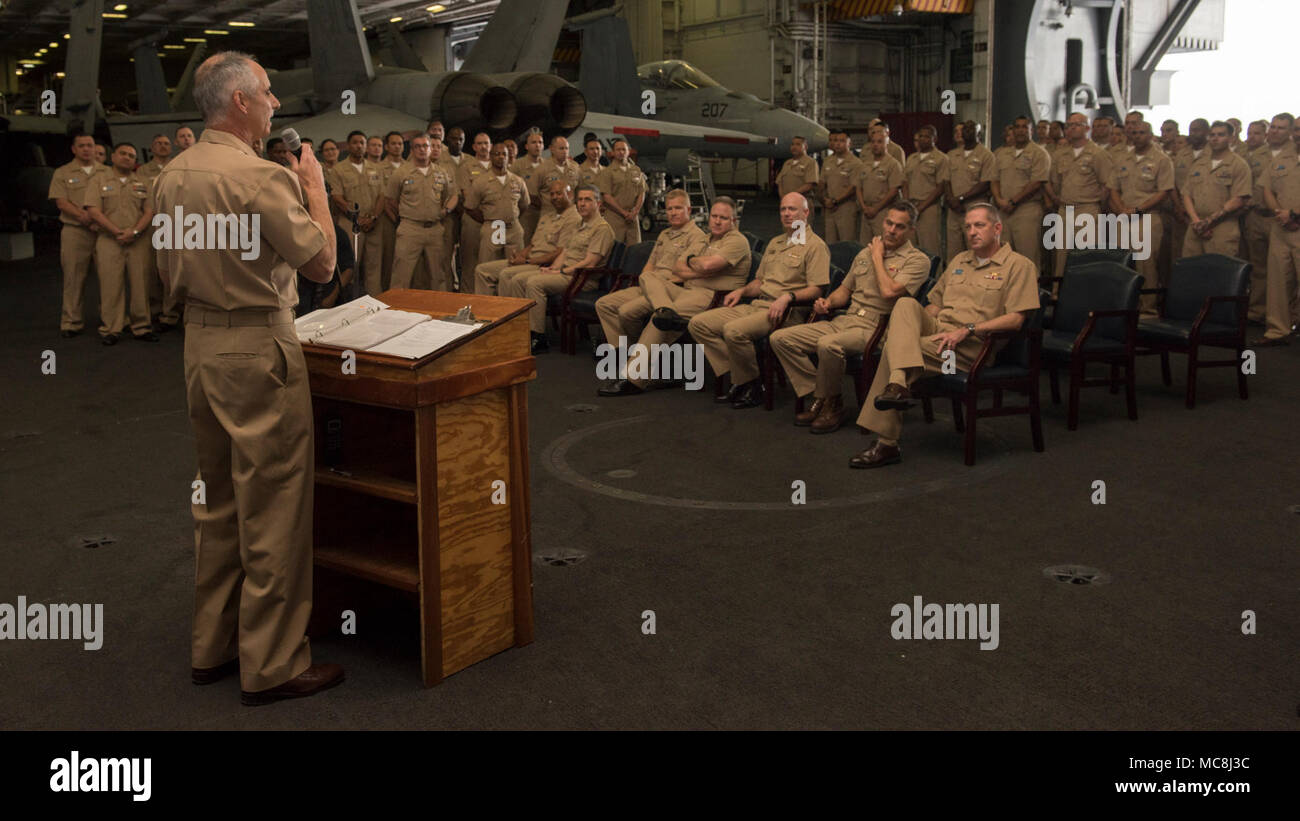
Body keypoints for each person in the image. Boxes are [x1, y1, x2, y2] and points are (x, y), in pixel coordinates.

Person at [153, 51, 342, 705]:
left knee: (218, 502)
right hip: (258, 344)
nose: (274, 104)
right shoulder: (261, 177)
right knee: (276, 506)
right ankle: (274, 662)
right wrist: (314, 187)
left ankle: (214, 645)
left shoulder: (171, 174)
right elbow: (321, 265)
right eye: (266, 92)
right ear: (238, 102)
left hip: (200, 346)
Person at [850, 203, 1039, 468]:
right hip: (942, 335)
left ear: (997, 228)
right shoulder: (960, 261)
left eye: (979, 225)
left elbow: (1016, 319)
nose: (972, 232)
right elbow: (933, 304)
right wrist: (927, 323)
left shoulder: (1019, 266)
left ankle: (886, 441)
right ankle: (898, 386)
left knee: (894, 349)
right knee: (905, 304)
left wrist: (968, 329)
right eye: (968, 227)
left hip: (972, 347)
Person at [771, 201, 929, 433]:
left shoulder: (917, 260)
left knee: (827, 345)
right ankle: (823, 395)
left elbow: (889, 292)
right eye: (888, 223)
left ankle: (832, 405)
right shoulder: (864, 253)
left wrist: (877, 257)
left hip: (877, 327)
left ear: (911, 230)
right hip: (846, 320)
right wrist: (829, 302)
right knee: (780, 339)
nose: (891, 230)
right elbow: (845, 290)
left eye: (900, 226)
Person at [596, 193, 751, 396]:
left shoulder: (737, 241)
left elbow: (707, 264)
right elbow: (678, 267)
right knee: (649, 279)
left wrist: (694, 263)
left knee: (657, 320)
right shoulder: (705, 239)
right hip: (685, 290)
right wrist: (698, 266)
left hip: (711, 296)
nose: (717, 221)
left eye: (723, 218)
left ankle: (634, 378)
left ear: (733, 221)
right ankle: (664, 310)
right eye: (714, 216)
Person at [689, 192, 830, 408]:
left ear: (806, 213)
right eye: (783, 209)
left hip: (786, 312)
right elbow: (759, 281)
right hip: (757, 305)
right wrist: (742, 291)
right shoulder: (775, 242)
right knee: (698, 324)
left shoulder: (815, 246)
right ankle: (747, 377)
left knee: (733, 330)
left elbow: (817, 289)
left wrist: (788, 297)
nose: (786, 214)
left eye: (792, 209)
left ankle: (750, 386)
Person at [502, 184, 614, 354]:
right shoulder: (580, 225)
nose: (582, 204)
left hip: (582, 279)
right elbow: (566, 252)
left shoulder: (602, 228)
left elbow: (589, 263)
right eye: (580, 200)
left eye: (588, 200)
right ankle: (519, 330)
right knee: (518, 279)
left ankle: (538, 337)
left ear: (598, 204)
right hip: (567, 273)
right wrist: (553, 268)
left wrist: (561, 272)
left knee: (534, 283)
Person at [83, 142, 156, 344]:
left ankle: (141, 326)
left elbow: (149, 211)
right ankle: (111, 329)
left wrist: (134, 231)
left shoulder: (143, 183)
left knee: (141, 285)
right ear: (113, 156)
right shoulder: (98, 181)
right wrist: (116, 231)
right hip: (108, 240)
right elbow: (93, 211)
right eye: (122, 153)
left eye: (131, 156)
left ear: (135, 162)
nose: (127, 157)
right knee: (110, 286)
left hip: (137, 240)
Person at [1109, 120, 1174, 316]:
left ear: (1151, 134)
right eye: (1134, 133)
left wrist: (1137, 209)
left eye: (1142, 133)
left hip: (1147, 217)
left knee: (1146, 264)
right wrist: (1121, 209)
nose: (1137, 136)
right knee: (1123, 262)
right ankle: (1124, 305)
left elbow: (1164, 192)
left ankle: (1148, 308)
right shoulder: (1123, 159)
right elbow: (1113, 188)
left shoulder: (1162, 160)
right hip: (1124, 217)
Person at [379, 134, 459, 291]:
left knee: (439, 275)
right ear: (412, 150)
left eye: (425, 146)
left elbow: (450, 196)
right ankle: (396, 311)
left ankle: (438, 311)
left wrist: (445, 210)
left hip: (435, 229)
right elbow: (391, 200)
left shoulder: (441, 172)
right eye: (418, 146)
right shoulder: (401, 173)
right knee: (401, 275)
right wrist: (408, 214)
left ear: (431, 148)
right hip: (410, 229)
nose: (422, 149)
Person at [473, 179, 580, 296]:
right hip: (529, 260)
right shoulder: (547, 216)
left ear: (569, 194)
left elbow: (559, 252)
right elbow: (532, 245)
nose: (554, 197)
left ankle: (508, 312)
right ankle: (486, 311)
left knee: (507, 275)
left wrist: (527, 261)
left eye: (559, 193)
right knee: (482, 270)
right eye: (552, 194)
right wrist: (520, 255)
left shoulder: (574, 218)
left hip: (543, 265)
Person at [1047, 112, 1114, 277]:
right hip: (1065, 209)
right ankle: (1058, 294)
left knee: (1086, 255)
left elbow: (1106, 185)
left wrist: (1099, 207)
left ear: (1087, 128)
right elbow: (1053, 181)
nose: (1070, 129)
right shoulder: (1060, 153)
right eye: (1068, 125)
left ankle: (1085, 296)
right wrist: (1056, 199)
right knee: (1061, 255)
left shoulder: (1097, 154)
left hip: (1088, 208)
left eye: (1075, 125)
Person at [47, 134, 101, 338]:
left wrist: (100, 221)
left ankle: (112, 319)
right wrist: (84, 216)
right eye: (82, 146)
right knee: (73, 278)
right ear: (73, 149)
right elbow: (61, 201)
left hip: (103, 232)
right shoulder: (62, 173)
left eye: (90, 145)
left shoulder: (105, 172)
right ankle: (71, 322)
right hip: (75, 232)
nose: (87, 149)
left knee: (109, 279)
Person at [1244, 116, 1293, 324]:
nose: (1274, 131)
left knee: (1284, 272)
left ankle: (1289, 316)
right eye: (1272, 127)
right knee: (1258, 268)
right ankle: (1257, 311)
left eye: (1281, 128)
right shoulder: (1256, 154)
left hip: (1283, 220)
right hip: (1256, 215)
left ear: (1290, 132)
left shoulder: (1293, 153)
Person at [1257, 112, 1300, 347]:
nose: (1299, 135)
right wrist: (1282, 215)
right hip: (1281, 228)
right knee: (1278, 282)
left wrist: (1294, 215)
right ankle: (1278, 330)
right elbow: (1267, 189)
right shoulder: (1282, 157)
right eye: (1298, 130)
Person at [326, 130, 385, 296]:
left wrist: (373, 217)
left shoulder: (376, 168)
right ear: (348, 145)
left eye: (362, 143)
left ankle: (375, 304)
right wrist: (355, 217)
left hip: (374, 223)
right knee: (351, 267)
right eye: (355, 142)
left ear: (366, 147)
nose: (359, 146)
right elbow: (337, 196)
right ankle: (349, 303)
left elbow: (382, 195)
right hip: (350, 224)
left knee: (374, 268)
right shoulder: (339, 169)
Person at [1181, 121, 1251, 257]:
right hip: (1195, 226)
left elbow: (1239, 198)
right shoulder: (1199, 163)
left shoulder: (1239, 165)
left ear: (1231, 138)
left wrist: (1209, 221)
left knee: (1219, 274)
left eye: (1221, 135)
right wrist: (1196, 221)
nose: (1215, 138)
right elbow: (1187, 194)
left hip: (1222, 227)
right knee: (1190, 272)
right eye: (1212, 135)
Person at [991, 115, 1051, 262]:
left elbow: (1037, 182)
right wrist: (999, 199)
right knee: (1002, 257)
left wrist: (1013, 202)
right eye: (1017, 127)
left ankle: (1030, 285)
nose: (1020, 130)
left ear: (1032, 130)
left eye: (1025, 127)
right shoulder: (1001, 153)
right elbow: (994, 179)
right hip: (1003, 211)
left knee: (1027, 258)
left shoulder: (1039, 153)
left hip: (1027, 210)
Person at [463, 142, 527, 269]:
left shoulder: (517, 181)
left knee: (515, 267)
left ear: (509, 157)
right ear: (491, 157)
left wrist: (510, 215)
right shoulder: (481, 182)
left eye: (504, 154)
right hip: (494, 228)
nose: (501, 157)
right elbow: (470, 207)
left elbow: (524, 204)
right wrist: (488, 219)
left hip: (513, 228)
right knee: (488, 267)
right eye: (497, 154)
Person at [944, 119, 996, 262]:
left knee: (975, 249)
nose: (967, 131)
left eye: (971, 129)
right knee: (953, 252)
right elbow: (946, 180)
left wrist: (960, 199)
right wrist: (951, 199)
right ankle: (954, 282)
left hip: (975, 209)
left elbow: (985, 184)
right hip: (954, 211)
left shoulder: (986, 155)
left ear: (979, 133)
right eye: (965, 128)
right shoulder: (952, 155)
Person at [902, 125, 949, 256]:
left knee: (930, 247)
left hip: (929, 207)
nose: (923, 139)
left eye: (927, 136)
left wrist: (921, 207)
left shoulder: (941, 159)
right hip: (911, 206)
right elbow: (905, 182)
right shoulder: (912, 158)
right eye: (921, 136)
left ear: (935, 139)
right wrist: (907, 203)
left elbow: (940, 187)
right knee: (910, 247)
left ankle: (935, 276)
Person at [456, 132, 493, 290]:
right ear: (474, 147)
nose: (484, 146)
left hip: (497, 223)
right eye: (480, 143)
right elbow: (467, 196)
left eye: (486, 143)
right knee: (470, 261)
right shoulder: (466, 167)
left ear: (490, 145)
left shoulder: (500, 165)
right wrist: (484, 216)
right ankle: (468, 299)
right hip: (473, 220)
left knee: (495, 259)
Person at [856, 130, 904, 244]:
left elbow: (893, 191)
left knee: (883, 245)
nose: (876, 145)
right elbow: (858, 187)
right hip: (866, 211)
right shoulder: (865, 164)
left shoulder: (893, 164)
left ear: (887, 144)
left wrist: (876, 209)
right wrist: (864, 207)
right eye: (873, 142)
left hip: (883, 211)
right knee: (865, 246)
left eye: (880, 142)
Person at [598, 137, 647, 244]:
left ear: (628, 152)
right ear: (613, 152)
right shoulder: (607, 172)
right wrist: (624, 213)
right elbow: (606, 196)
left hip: (632, 217)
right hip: (614, 217)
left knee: (635, 250)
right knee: (614, 250)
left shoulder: (636, 170)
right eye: (618, 150)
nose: (621, 152)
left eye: (624, 149)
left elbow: (641, 192)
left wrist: (636, 211)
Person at [820, 131, 862, 243]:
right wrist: (825, 200)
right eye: (836, 141)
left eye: (842, 141)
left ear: (849, 144)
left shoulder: (856, 163)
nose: (838, 144)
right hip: (829, 207)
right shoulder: (828, 161)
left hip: (846, 208)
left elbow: (853, 187)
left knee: (846, 243)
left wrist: (835, 201)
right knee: (830, 243)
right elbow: (822, 183)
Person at [511, 130, 547, 242]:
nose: (537, 145)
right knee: (524, 244)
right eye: (534, 142)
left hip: (545, 213)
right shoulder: (517, 165)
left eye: (540, 142)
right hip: (525, 214)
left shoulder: (548, 165)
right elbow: (512, 190)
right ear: (526, 146)